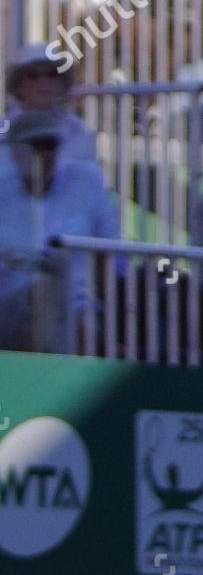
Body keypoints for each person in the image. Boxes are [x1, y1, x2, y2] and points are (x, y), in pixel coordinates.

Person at [0, 110, 118, 351]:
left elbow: (112, 251)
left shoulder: (87, 181)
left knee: (67, 320)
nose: (43, 154)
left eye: (50, 145)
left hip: (79, 306)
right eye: (35, 145)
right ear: (13, 151)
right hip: (11, 304)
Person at [4, 43, 98, 164]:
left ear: (62, 84)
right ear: (18, 85)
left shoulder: (79, 130)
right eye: (33, 75)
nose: (43, 81)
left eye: (52, 74)